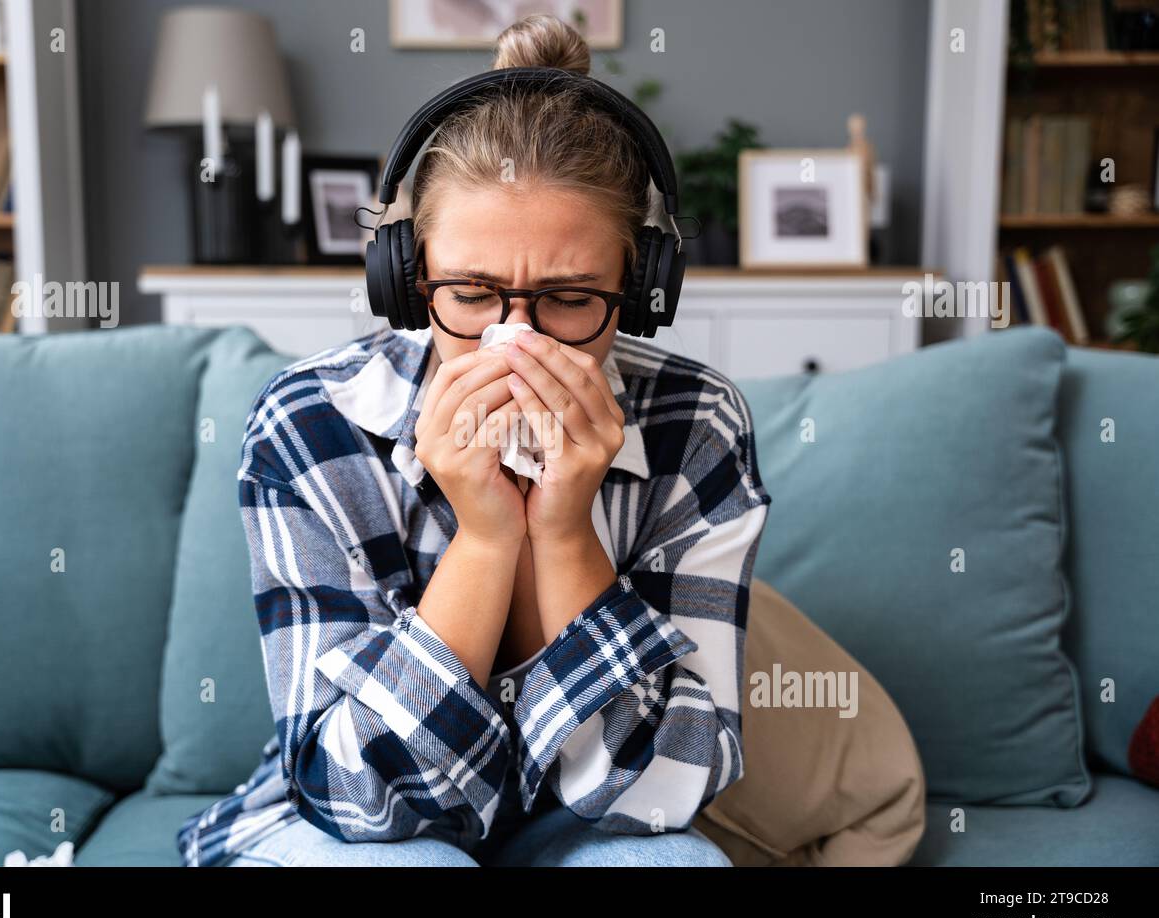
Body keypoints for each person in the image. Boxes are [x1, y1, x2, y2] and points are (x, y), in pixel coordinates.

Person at [177, 13, 770, 868]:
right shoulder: (308, 422)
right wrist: (488, 539)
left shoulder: (698, 423)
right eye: (472, 292)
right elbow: (356, 797)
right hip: (357, 822)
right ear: (408, 277)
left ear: (637, 290)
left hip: (577, 818)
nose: (516, 342)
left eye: (570, 299)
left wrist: (563, 531)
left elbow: (665, 789)